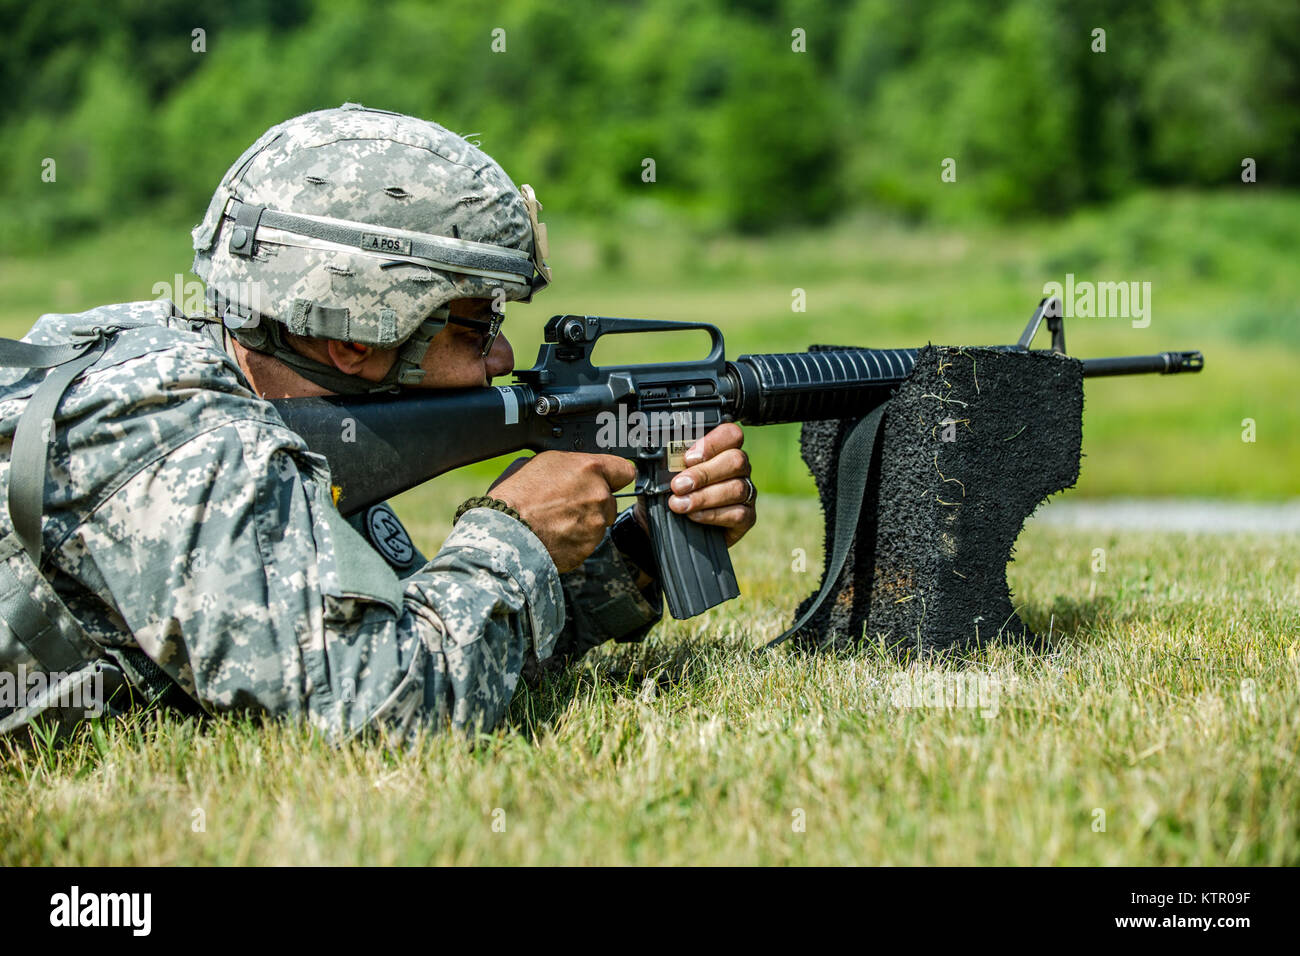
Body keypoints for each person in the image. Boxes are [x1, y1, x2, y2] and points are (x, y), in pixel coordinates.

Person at [0, 104, 757, 741]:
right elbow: (382, 713)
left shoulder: (270, 410)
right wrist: (513, 533)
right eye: (474, 324)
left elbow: (434, 639)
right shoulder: (184, 438)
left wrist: (638, 550)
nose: (501, 356)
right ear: (359, 333)